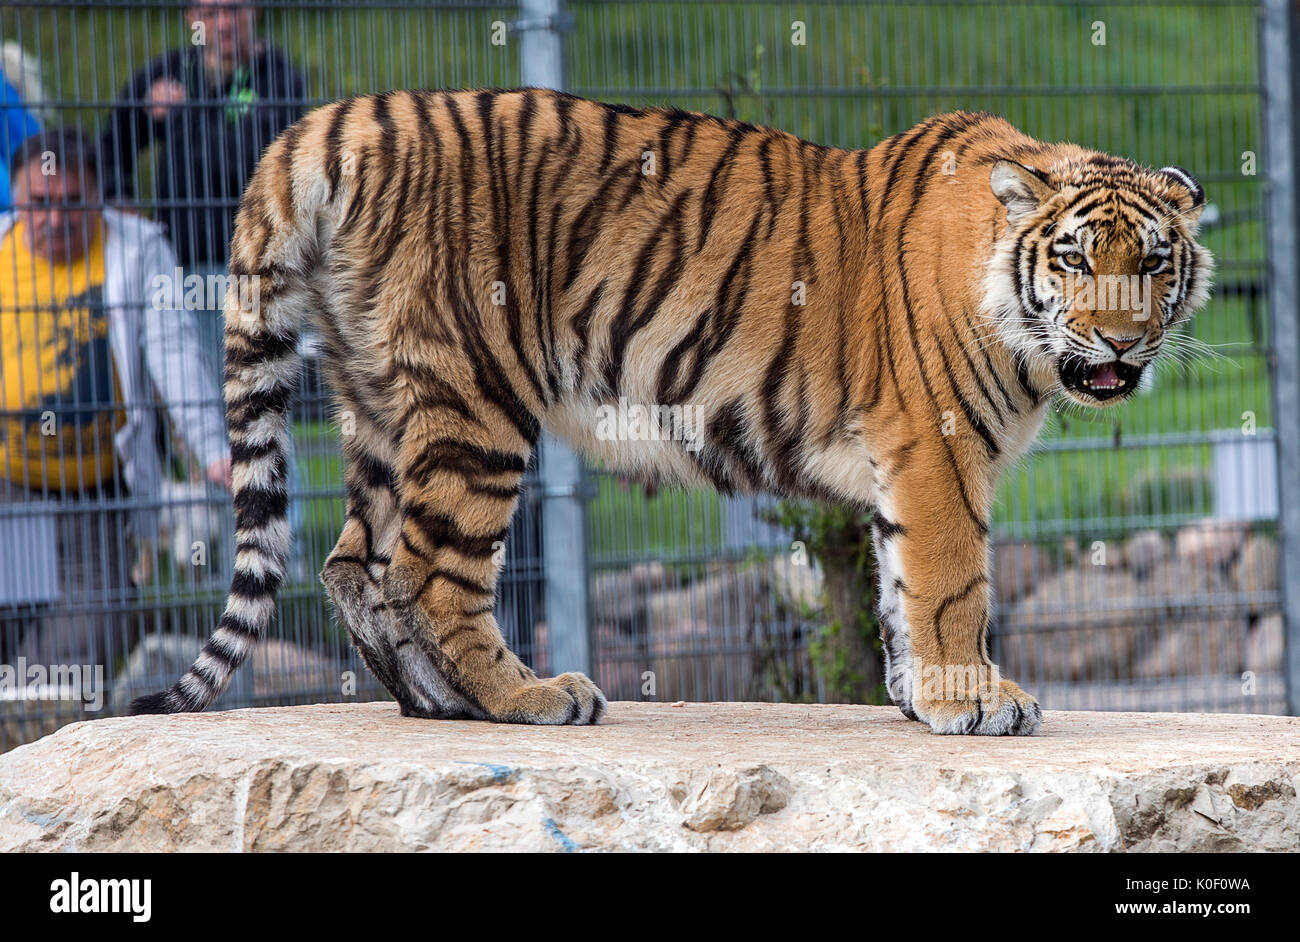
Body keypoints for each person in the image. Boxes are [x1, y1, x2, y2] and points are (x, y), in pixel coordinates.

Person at [0, 129, 230, 671]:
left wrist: (213, 451)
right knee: (11, 631)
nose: (55, 220)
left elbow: (174, 351)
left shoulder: (137, 248)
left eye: (73, 203)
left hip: (95, 495)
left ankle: (48, 736)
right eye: (40, 204)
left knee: (84, 644)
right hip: (10, 490)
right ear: (15, 197)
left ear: (99, 197)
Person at [99, 0, 306, 270]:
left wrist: (182, 114)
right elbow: (111, 143)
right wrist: (119, 199)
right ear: (191, 18)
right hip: (172, 258)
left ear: (255, 10)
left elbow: (251, 163)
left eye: (234, 10)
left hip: (251, 262)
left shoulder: (280, 79)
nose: (224, 24)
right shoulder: (171, 70)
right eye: (209, 14)